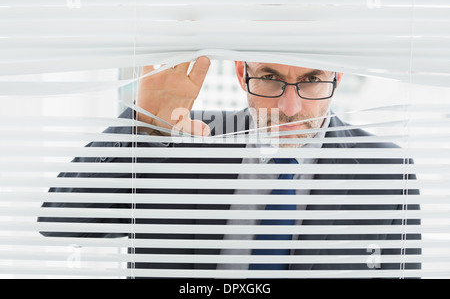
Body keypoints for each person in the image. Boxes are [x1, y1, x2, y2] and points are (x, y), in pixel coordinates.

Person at [39, 57, 421, 274]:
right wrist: (144, 125)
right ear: (242, 73)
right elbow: (62, 223)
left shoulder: (388, 171)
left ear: (337, 76)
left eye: (312, 80)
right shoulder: (180, 135)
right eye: (270, 79)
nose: (289, 109)